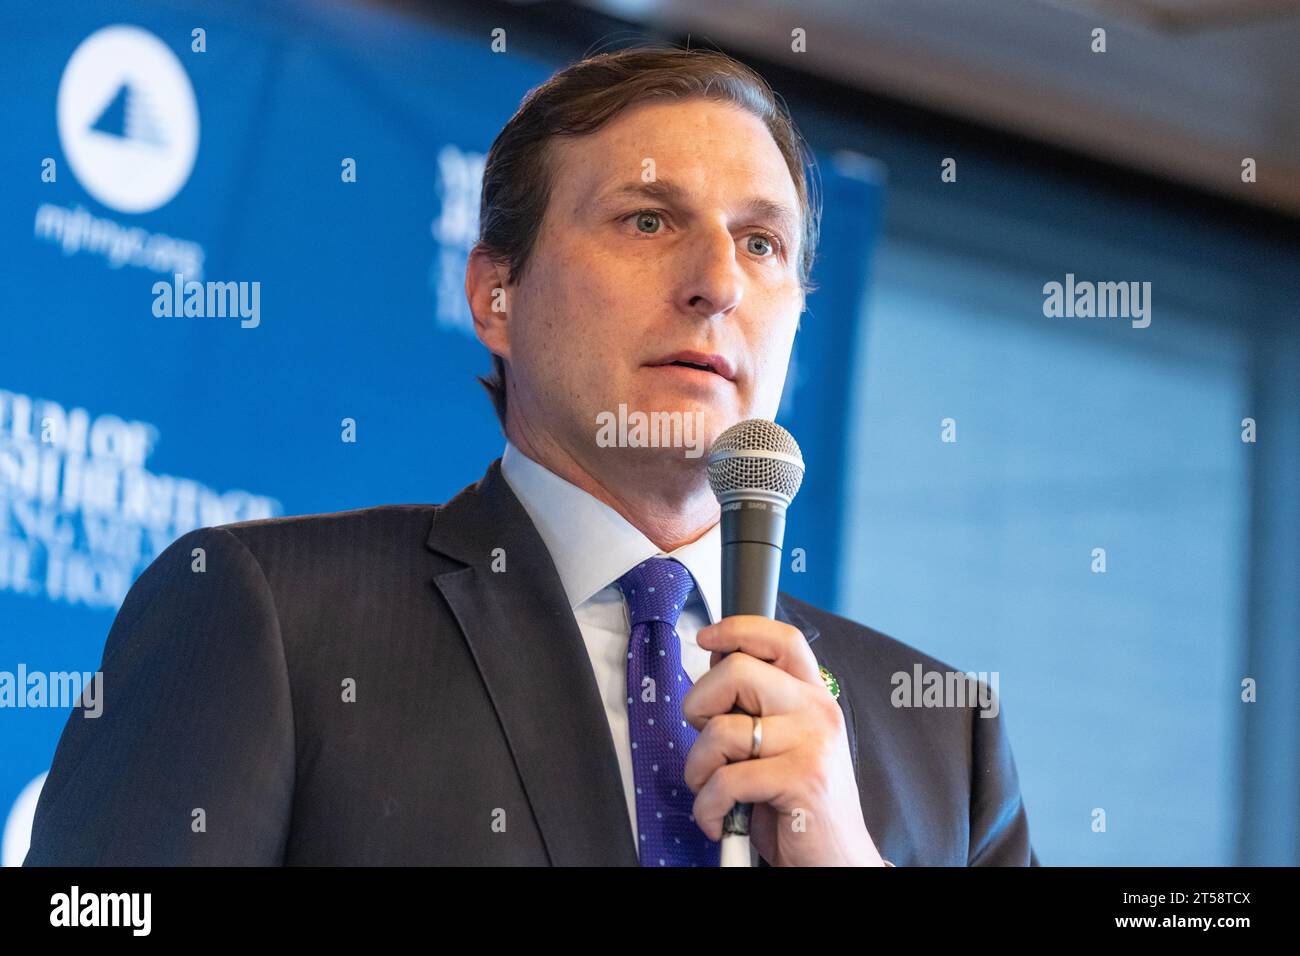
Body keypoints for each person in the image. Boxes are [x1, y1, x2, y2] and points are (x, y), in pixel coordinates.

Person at [24, 46, 1036, 867]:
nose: (717, 283)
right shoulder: (269, 617)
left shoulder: (943, 738)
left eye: (762, 244)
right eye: (649, 219)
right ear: (493, 295)